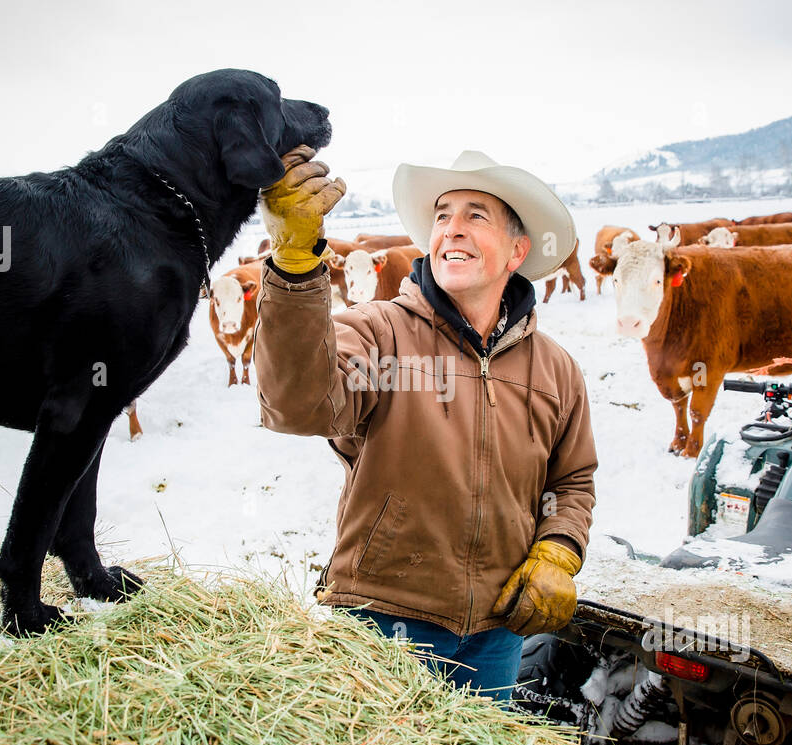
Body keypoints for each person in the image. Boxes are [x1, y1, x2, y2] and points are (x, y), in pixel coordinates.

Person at [252, 146, 597, 704]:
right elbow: (297, 406)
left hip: (498, 632)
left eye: (474, 216)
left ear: (517, 251)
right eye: (442, 217)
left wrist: (557, 550)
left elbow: (572, 482)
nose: (451, 230)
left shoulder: (555, 369)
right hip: (383, 620)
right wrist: (295, 267)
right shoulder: (378, 331)